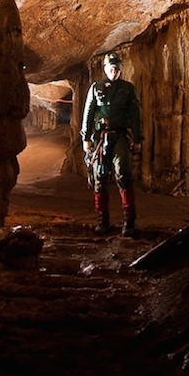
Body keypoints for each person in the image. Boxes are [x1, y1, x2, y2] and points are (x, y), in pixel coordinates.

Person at [81, 51, 143, 237]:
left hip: (120, 136)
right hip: (100, 137)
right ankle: (102, 221)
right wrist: (86, 138)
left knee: (124, 174)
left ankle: (129, 222)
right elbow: (88, 113)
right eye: (111, 68)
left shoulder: (128, 89)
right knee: (99, 177)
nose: (114, 72)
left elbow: (135, 114)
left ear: (120, 70)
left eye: (117, 69)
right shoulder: (96, 87)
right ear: (105, 69)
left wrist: (138, 138)